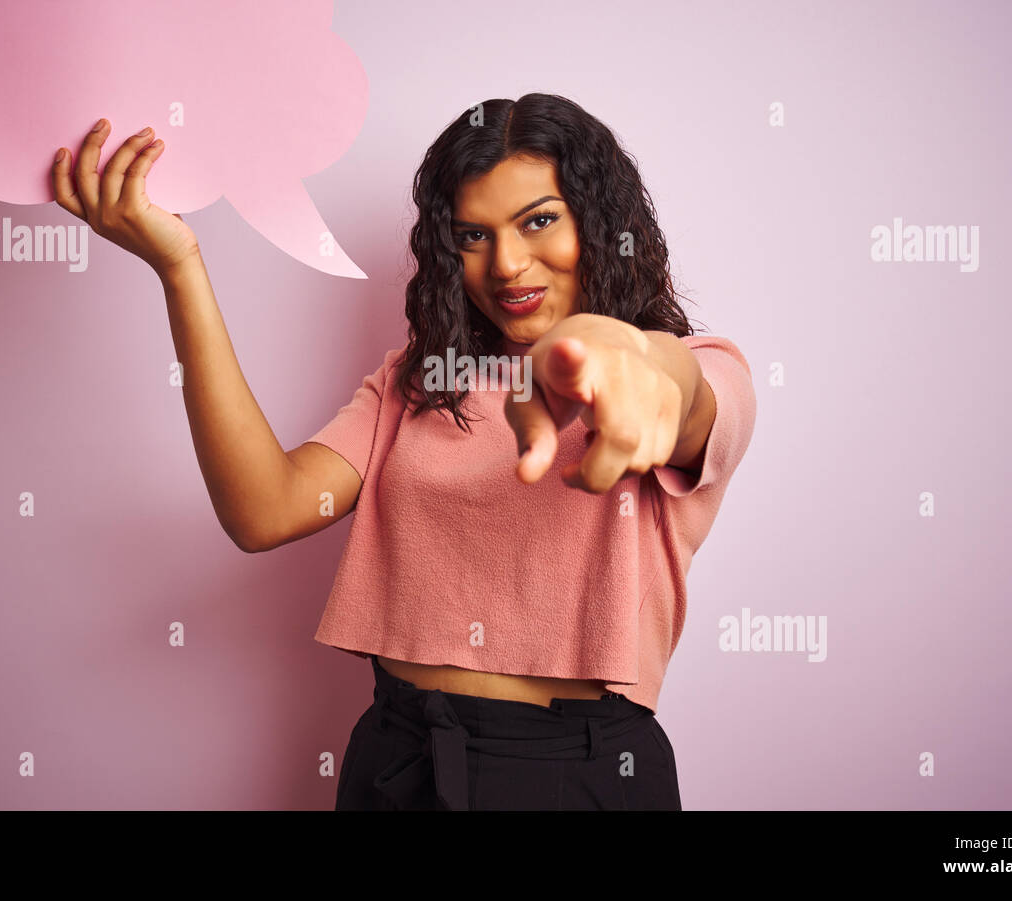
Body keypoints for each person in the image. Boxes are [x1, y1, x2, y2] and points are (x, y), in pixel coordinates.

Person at [50, 92, 756, 810]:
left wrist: (626, 352)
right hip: (398, 755)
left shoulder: (696, 368)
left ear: (602, 224)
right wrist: (180, 269)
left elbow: (680, 387)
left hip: (572, 775)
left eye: (539, 220)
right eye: (474, 235)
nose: (507, 264)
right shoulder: (417, 384)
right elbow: (262, 510)